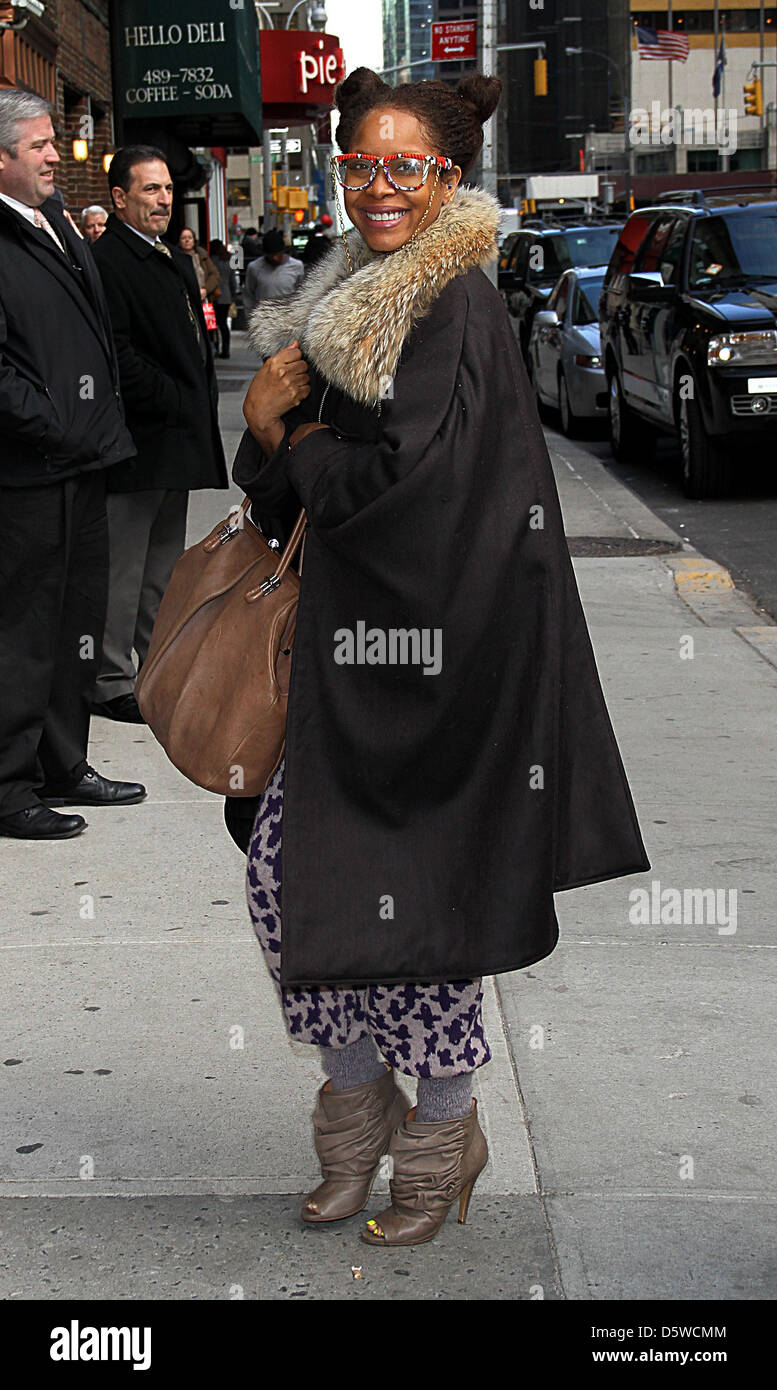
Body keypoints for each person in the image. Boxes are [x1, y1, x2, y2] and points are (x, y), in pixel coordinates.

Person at [235, 67, 651, 1248]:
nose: (376, 184)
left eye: (402, 165)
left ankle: (440, 1138)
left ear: (449, 179)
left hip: (442, 664)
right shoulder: (363, 291)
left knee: (425, 916)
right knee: (301, 892)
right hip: (366, 658)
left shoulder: (446, 302)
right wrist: (279, 439)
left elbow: (398, 491)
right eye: (358, 162)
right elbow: (311, 489)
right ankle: (361, 1117)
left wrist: (287, 432)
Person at [0, 90, 145, 840]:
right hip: (28, 474)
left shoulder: (55, 222)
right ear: (0, 159)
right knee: (22, 634)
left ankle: (64, 763)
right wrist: (55, 427)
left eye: (55, 140)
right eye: (38, 145)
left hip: (83, 464)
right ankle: (7, 786)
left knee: (74, 626)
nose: (56, 154)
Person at [90, 145, 228, 723]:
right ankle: (108, 679)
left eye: (168, 189)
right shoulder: (109, 260)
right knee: (124, 568)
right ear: (120, 198)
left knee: (164, 567)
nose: (164, 200)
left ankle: (151, 670)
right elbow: (114, 352)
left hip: (175, 439)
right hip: (138, 438)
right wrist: (175, 398)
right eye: (150, 190)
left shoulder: (168, 256)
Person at [243, 228, 304, 308]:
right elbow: (248, 294)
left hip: (287, 315)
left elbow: (302, 294)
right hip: (263, 316)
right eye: (270, 255)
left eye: (277, 254)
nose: (274, 258)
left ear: (283, 251)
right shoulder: (254, 267)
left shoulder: (297, 266)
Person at [208, 238, 238, 359]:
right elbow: (233, 282)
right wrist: (233, 296)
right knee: (223, 324)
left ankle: (215, 347)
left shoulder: (210, 261)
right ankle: (226, 349)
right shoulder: (228, 261)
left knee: (212, 324)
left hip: (213, 295)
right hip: (225, 296)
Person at [177, 225, 219, 302]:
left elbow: (214, 275)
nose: (187, 240)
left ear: (194, 240)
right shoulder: (175, 257)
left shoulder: (202, 255)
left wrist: (205, 289)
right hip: (184, 300)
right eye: (183, 238)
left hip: (203, 298)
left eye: (190, 238)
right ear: (179, 241)